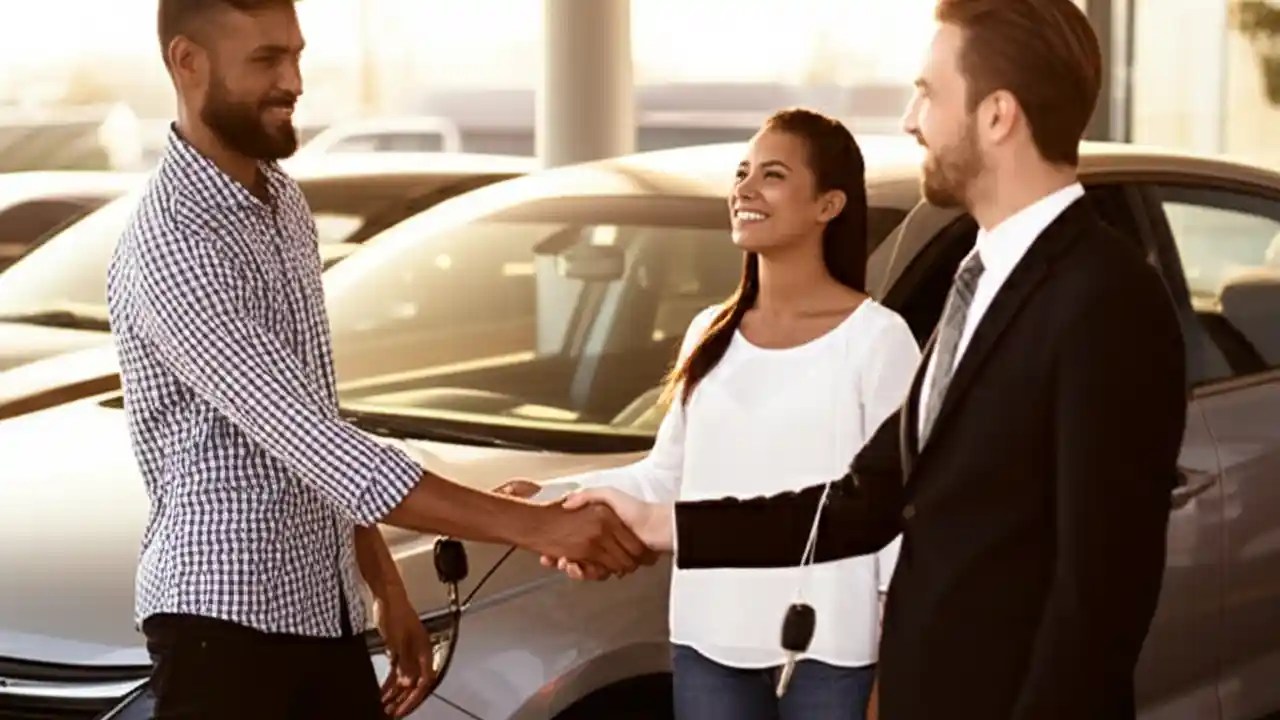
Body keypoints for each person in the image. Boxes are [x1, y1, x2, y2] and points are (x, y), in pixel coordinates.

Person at [559, 1, 1188, 719]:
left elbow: (1102, 594)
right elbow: (863, 502)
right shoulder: (979, 278)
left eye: (928, 92)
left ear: (998, 115)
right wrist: (656, 521)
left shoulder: (1105, 298)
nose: (911, 120)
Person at [106, 2, 648, 718]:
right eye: (267, 60)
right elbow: (319, 444)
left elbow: (314, 420)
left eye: (297, 54)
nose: (295, 80)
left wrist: (384, 587)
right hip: (224, 632)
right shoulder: (174, 243)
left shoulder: (282, 204)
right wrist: (539, 527)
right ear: (187, 62)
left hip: (320, 614)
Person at [502, 109, 919, 720]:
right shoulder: (710, 332)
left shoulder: (878, 339)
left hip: (832, 652)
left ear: (828, 205)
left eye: (771, 175)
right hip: (710, 642)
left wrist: (892, 658)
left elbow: (893, 517)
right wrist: (556, 494)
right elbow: (667, 478)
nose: (745, 189)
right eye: (742, 172)